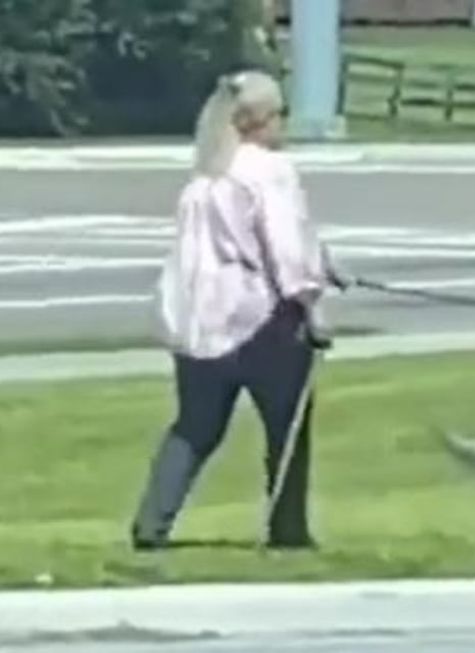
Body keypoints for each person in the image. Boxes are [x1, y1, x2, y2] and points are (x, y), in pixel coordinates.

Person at [131, 69, 351, 550]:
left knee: (196, 425)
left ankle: (151, 524)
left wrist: (324, 263)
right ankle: (287, 530)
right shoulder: (270, 170)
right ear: (262, 119)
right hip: (259, 319)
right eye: (281, 114)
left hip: (201, 321)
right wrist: (310, 300)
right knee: (287, 427)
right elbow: (286, 248)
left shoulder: (207, 172)